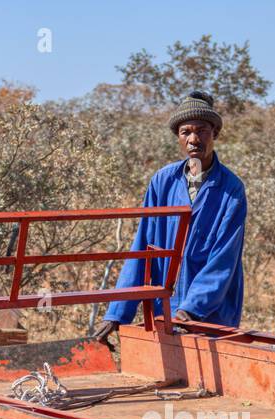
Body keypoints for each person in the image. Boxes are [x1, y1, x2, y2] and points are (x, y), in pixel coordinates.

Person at [95, 90, 247, 340]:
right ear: (177, 137)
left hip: (211, 314)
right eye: (185, 132)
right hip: (165, 308)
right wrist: (118, 312)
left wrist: (192, 308)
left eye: (202, 131)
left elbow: (224, 258)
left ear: (215, 134)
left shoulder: (231, 189)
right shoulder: (163, 181)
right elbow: (142, 246)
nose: (193, 139)